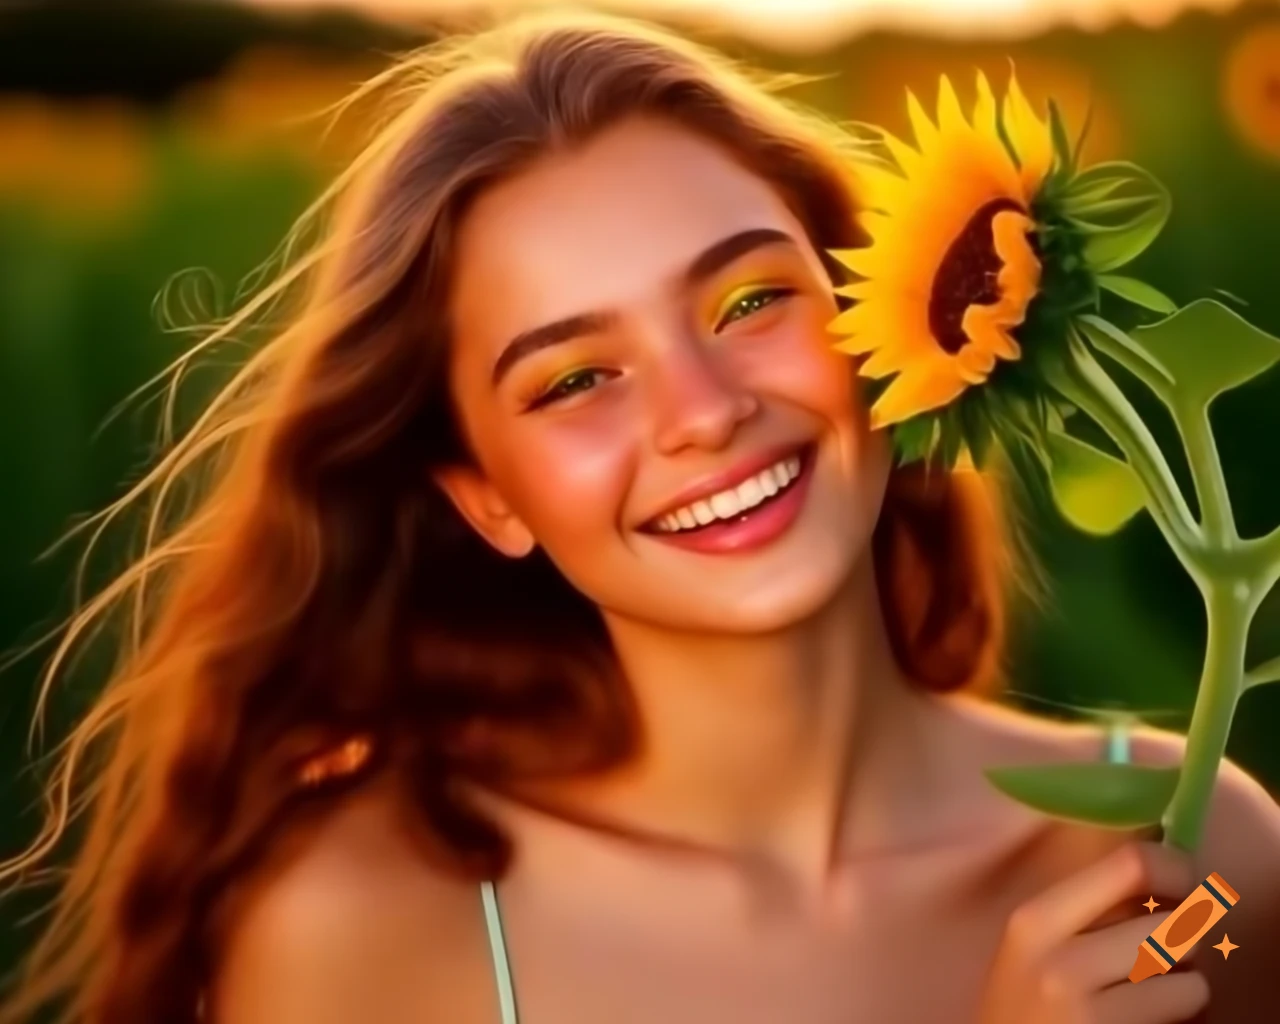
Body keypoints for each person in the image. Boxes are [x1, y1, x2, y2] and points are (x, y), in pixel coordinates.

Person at [3, 12, 1278, 1024]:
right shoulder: (363, 925)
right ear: (485, 493)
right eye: (572, 379)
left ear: (881, 324)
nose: (701, 411)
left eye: (745, 303)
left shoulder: (1196, 852)